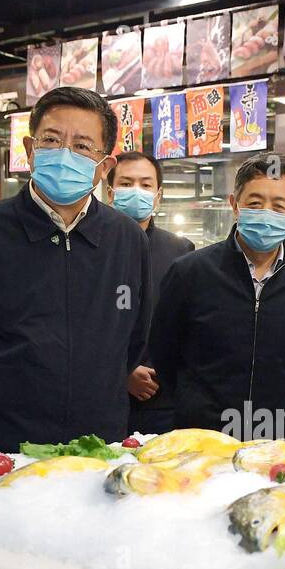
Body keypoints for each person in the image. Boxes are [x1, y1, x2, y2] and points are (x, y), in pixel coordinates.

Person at [0, 87, 151, 455]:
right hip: (0, 447)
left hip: (98, 446)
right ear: (29, 148)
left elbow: (133, 340)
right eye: (52, 140)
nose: (65, 153)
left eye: (83, 146)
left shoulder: (127, 239)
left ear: (104, 166)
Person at [150, 152, 285, 437]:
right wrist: (192, 403)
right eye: (255, 203)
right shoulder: (190, 272)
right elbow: (164, 351)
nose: (266, 212)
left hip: (276, 435)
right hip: (202, 434)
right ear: (235, 205)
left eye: (279, 205)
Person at [107, 149, 194, 435]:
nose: (136, 191)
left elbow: (186, 325)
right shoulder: (91, 249)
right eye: (126, 183)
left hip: (163, 400)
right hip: (103, 395)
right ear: (110, 192)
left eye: (145, 185)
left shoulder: (180, 251)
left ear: (158, 195)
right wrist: (123, 371)